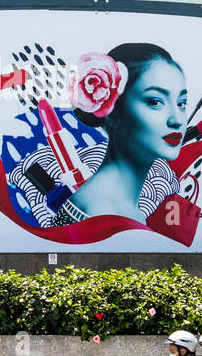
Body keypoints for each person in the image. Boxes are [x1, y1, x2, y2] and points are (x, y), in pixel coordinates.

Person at [57, 43, 185, 225]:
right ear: (114, 112)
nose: (177, 119)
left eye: (181, 103)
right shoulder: (98, 212)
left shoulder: (125, 210)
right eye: (155, 101)